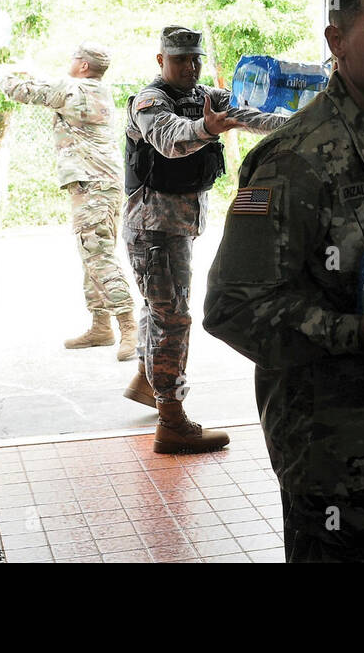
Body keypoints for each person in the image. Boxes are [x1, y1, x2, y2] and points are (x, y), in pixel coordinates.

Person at [204, 0, 364, 563]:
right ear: (336, 41)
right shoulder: (293, 163)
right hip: (326, 444)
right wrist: (359, 332)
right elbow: (232, 307)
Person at [123, 25, 285, 454]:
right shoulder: (149, 100)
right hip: (153, 230)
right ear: (161, 61)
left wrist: (302, 123)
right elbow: (168, 139)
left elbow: (253, 117)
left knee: (159, 311)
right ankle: (171, 419)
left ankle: (147, 380)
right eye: (180, 60)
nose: (190, 67)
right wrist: (207, 130)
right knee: (172, 318)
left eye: (195, 59)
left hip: (177, 229)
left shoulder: (207, 97)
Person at [0, 43, 137, 359]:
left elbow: (20, 90)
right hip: (106, 183)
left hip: (90, 184)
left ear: (81, 65)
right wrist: (32, 67)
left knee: (98, 255)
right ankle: (101, 325)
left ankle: (129, 324)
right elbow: (54, 88)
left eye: (72, 58)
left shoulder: (70, 89)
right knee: (93, 252)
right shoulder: (99, 91)